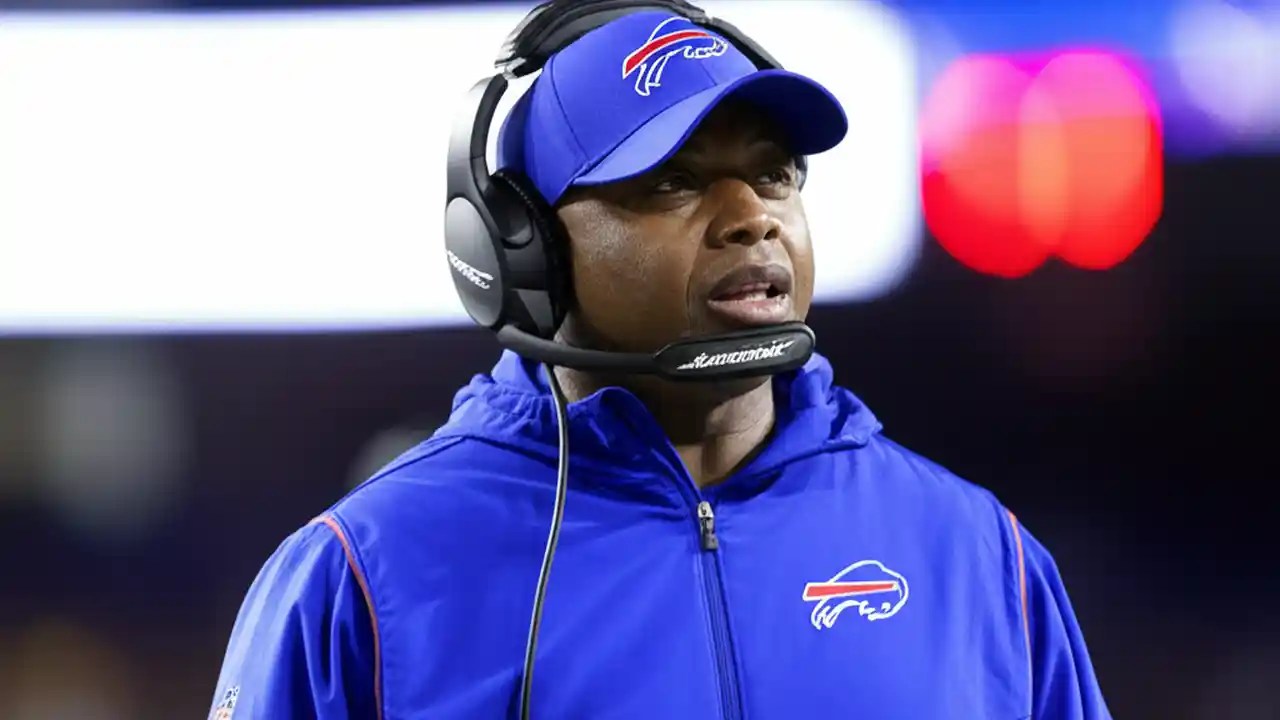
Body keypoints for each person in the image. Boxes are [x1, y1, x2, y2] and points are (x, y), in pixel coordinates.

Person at [209, 5, 1112, 719]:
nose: (751, 218)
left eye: (774, 175)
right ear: (523, 244)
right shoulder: (363, 575)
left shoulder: (977, 553)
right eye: (672, 181)